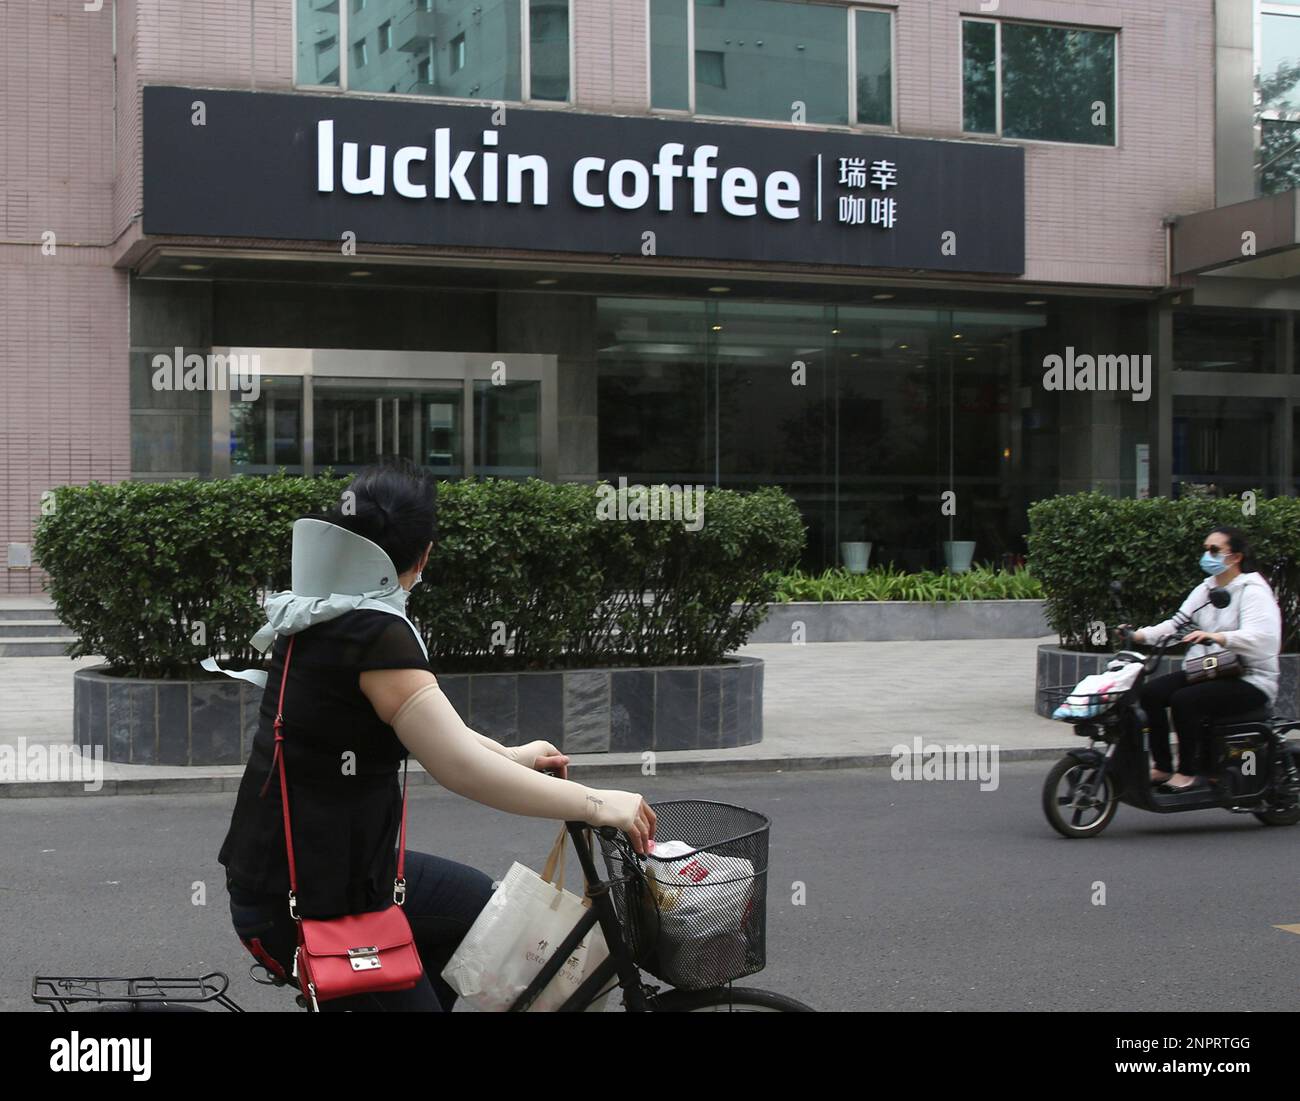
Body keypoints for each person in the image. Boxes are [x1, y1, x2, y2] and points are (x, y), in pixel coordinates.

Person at [217, 460, 656, 1011]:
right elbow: (459, 768)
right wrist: (596, 803)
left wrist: (512, 755)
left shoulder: (322, 613)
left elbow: (436, 729)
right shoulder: (374, 635)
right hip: (308, 899)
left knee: (478, 909)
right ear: (422, 555)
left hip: (320, 868)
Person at [1127, 527, 1281, 792]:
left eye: (1214, 550)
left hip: (1250, 679)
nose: (1206, 556)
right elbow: (1176, 625)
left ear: (1235, 557)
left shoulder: (1253, 591)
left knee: (1184, 700)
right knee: (1152, 692)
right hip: (1210, 670)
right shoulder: (1206, 588)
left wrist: (1219, 637)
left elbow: (1264, 639)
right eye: (1205, 549)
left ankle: (1189, 772)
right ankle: (1163, 766)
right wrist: (1138, 635)